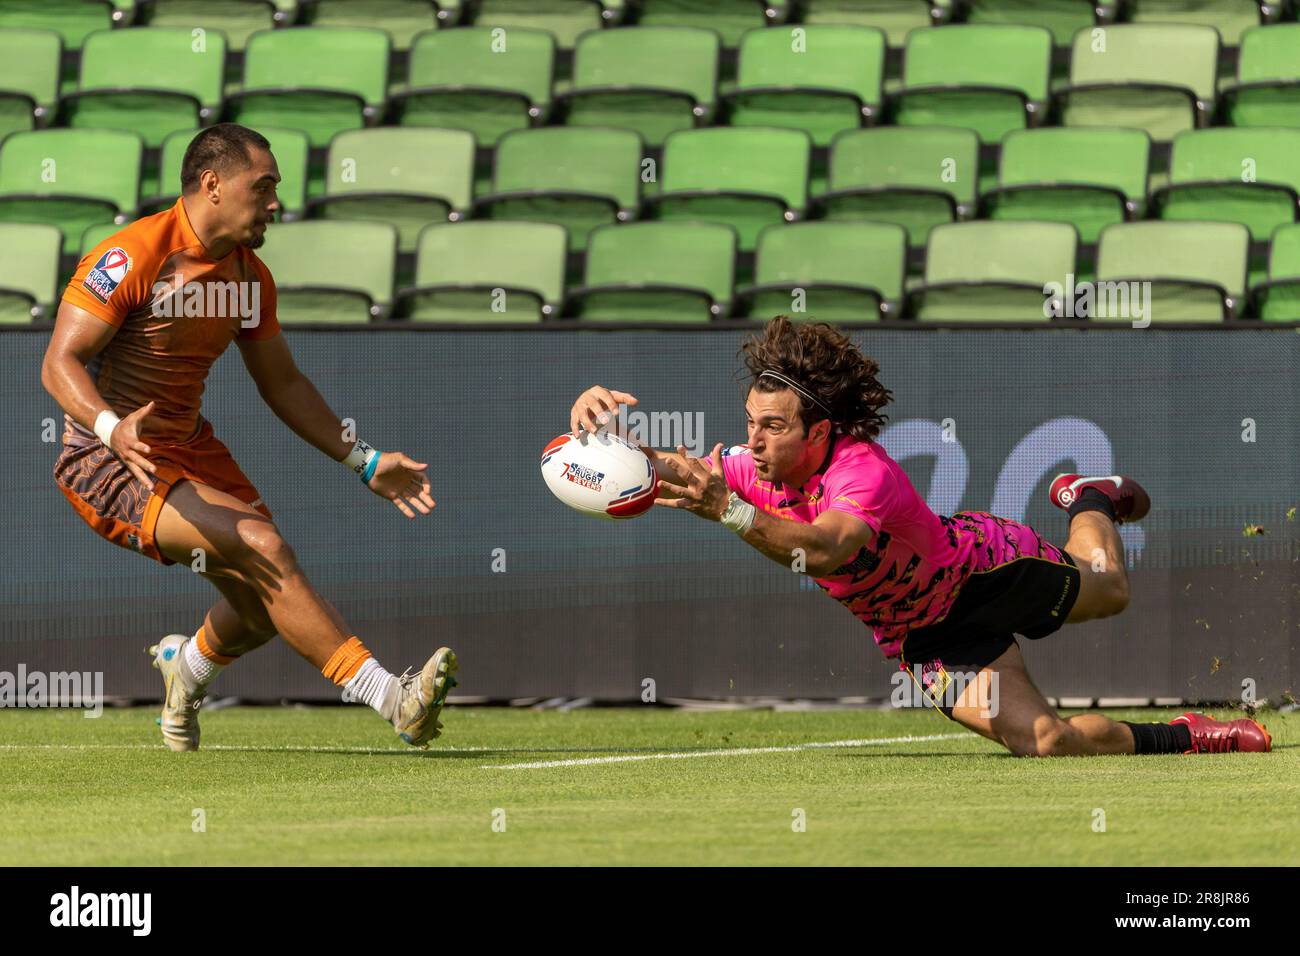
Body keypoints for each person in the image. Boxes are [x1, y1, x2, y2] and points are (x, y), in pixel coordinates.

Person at [568, 316, 1270, 756]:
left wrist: (729, 511)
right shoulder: (749, 471)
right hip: (927, 638)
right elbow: (660, 470)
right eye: (749, 421)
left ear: (819, 432)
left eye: (772, 426)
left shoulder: (861, 472)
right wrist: (600, 434)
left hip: (987, 572)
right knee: (1047, 744)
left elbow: (831, 548)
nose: (751, 440)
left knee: (1111, 589)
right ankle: (1185, 735)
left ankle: (1090, 499)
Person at [41, 124, 456, 752]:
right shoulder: (131, 255)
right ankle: (395, 700)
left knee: (263, 608)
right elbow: (58, 363)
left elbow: (282, 383)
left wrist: (365, 461)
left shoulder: (250, 278)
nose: (274, 205)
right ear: (212, 185)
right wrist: (109, 427)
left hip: (188, 446)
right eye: (261, 188)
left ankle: (186, 669)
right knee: (265, 547)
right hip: (109, 456)